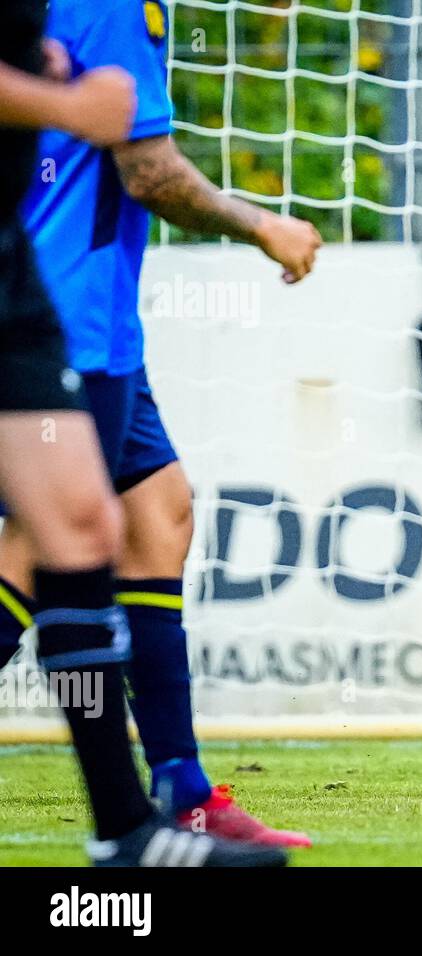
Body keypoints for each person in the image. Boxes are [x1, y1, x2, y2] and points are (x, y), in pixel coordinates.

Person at [0, 0, 320, 844]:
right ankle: (136, 824)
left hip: (99, 323)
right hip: (59, 319)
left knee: (158, 512)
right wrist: (262, 226)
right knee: (46, 549)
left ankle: (180, 788)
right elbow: (148, 171)